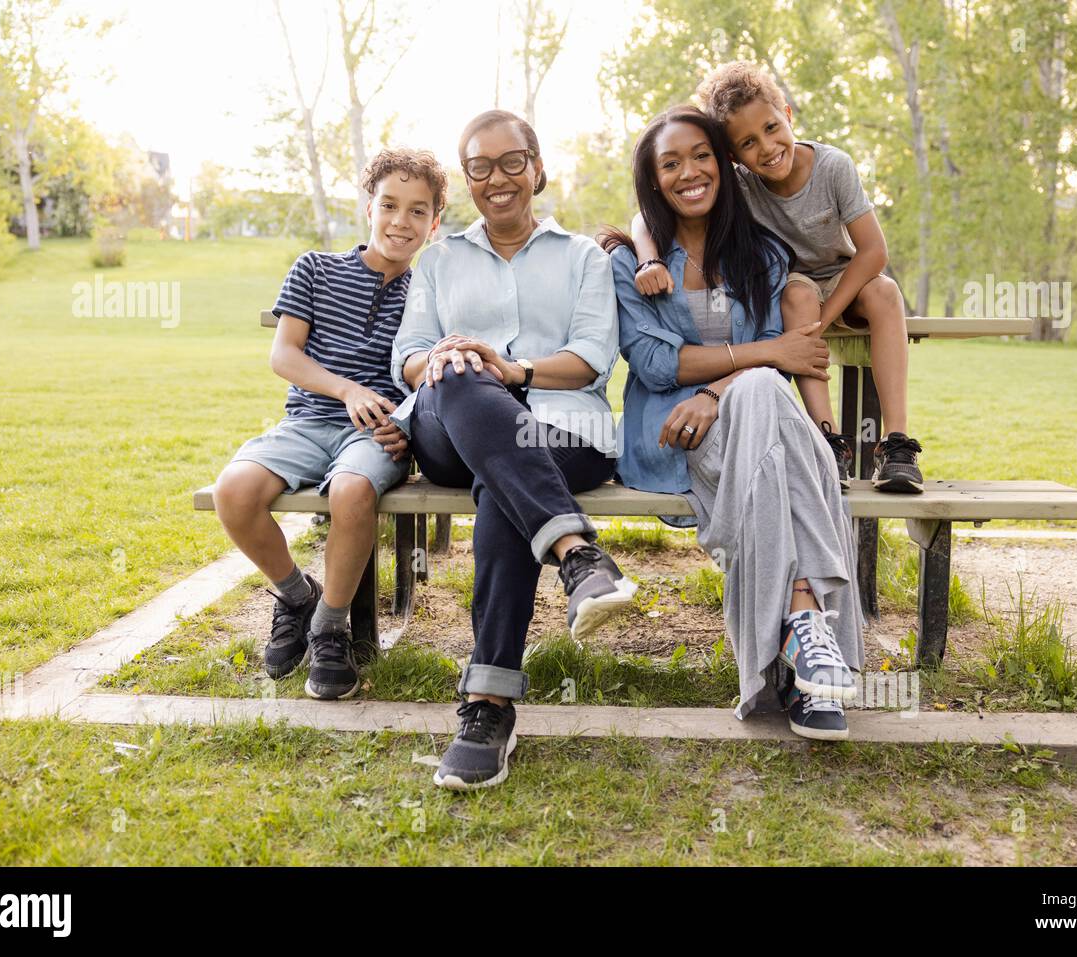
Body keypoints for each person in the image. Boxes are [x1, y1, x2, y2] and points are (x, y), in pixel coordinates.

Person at [603, 105, 865, 740]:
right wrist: (763, 356)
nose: (689, 171)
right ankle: (812, 634)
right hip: (671, 435)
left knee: (762, 408)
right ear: (654, 180)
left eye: (700, 156)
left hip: (745, 426)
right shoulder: (631, 265)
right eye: (671, 163)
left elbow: (777, 363)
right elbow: (657, 363)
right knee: (787, 428)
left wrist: (719, 390)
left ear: (723, 164)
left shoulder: (763, 256)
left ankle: (797, 626)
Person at [391, 110, 634, 790]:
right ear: (466, 179)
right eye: (480, 167)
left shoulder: (583, 256)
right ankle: (577, 553)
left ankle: (489, 702)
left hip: (561, 431)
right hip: (452, 430)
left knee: (504, 482)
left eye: (511, 162)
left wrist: (514, 369)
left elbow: (590, 359)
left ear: (537, 167)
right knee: (458, 364)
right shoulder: (438, 261)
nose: (497, 179)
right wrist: (451, 359)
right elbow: (406, 358)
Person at [213, 148, 446, 701]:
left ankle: (329, 627)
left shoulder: (430, 291)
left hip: (377, 435)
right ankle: (296, 595)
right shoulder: (315, 268)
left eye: (418, 212)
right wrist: (345, 388)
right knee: (234, 491)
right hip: (306, 421)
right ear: (369, 206)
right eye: (389, 205)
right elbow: (284, 356)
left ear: (435, 224)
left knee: (352, 490)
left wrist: (406, 426)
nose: (401, 221)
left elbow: (434, 373)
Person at [630, 61, 924, 494]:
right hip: (793, 284)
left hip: (849, 277)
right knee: (798, 297)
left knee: (886, 292)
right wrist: (648, 258)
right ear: (732, 156)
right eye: (748, 143)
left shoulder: (833, 167)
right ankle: (828, 441)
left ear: (787, 115)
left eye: (771, 128)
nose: (766, 148)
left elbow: (874, 252)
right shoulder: (739, 184)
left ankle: (896, 444)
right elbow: (643, 215)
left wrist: (821, 324)